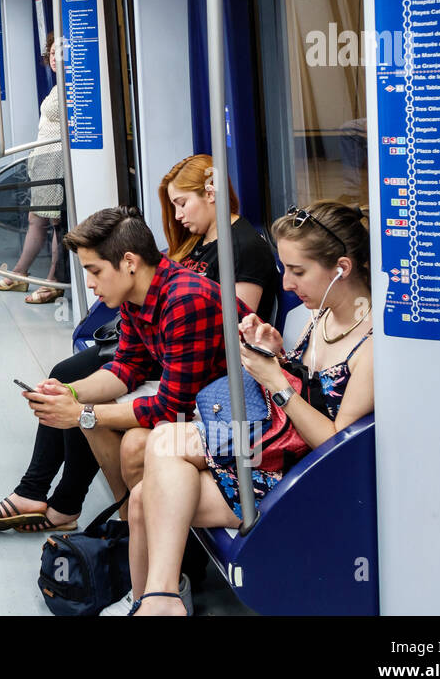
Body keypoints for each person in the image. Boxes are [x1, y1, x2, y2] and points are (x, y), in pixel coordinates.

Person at [0, 158, 272, 534]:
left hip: (234, 414)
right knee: (88, 414)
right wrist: (68, 392)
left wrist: (81, 411)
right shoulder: (135, 295)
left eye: (95, 271)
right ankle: (129, 523)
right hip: (196, 399)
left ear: (128, 263)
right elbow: (127, 367)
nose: (92, 284)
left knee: (117, 432)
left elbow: (170, 406)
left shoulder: (185, 300)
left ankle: (138, 529)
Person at [115, 202, 373, 615]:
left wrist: (274, 380)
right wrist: (276, 353)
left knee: (153, 480)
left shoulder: (371, 346)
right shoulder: (321, 316)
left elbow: (335, 446)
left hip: (301, 476)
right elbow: (311, 388)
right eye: (284, 268)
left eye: (298, 271)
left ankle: (156, 598)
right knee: (151, 479)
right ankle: (154, 598)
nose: (286, 284)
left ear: (341, 268)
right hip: (278, 447)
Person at [0, 33, 65, 304]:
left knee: (56, 223)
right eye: (52, 52)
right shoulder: (59, 86)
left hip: (57, 161)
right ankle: (21, 274)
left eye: (61, 51)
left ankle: (53, 280)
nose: (55, 57)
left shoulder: (75, 85)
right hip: (44, 161)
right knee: (38, 219)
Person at [161, 154, 279, 323]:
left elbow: (236, 325)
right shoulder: (195, 240)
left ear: (210, 194)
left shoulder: (245, 248)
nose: (178, 216)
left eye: (182, 204)